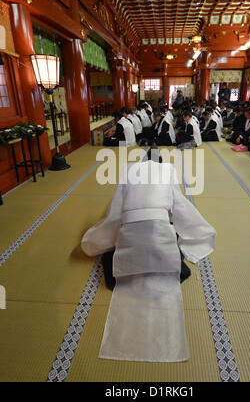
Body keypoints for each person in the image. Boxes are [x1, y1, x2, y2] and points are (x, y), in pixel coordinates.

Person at [81, 147, 216, 363]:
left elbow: (116, 212)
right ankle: (163, 261)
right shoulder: (168, 170)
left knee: (112, 250)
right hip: (161, 236)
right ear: (160, 162)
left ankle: (130, 264)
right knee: (170, 239)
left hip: (131, 237)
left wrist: (102, 239)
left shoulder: (128, 170)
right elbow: (179, 207)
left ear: (141, 161)